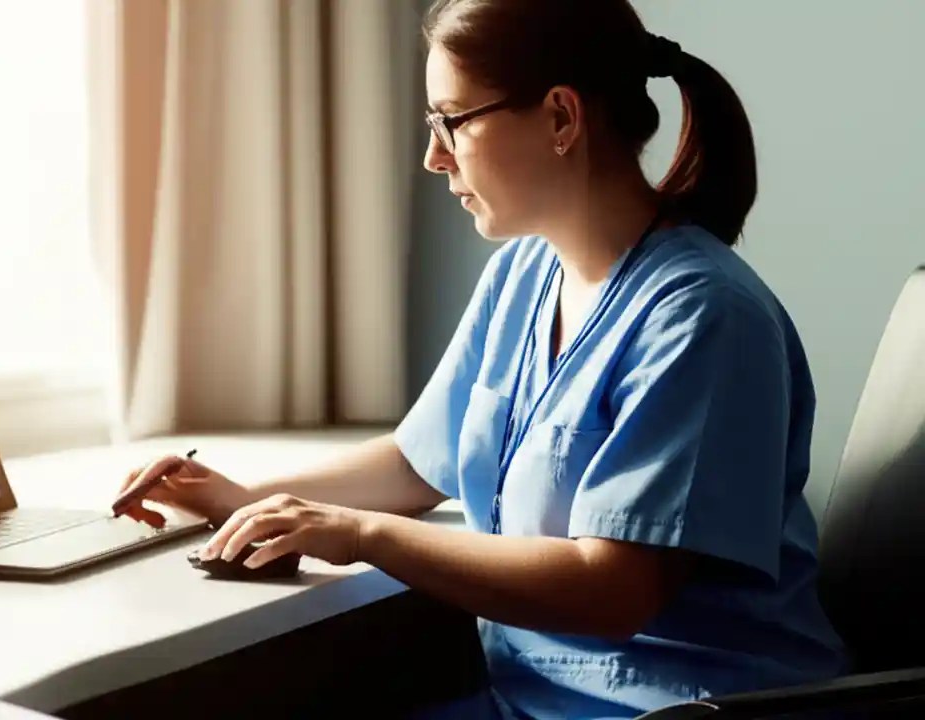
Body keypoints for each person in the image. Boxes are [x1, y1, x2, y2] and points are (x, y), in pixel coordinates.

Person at [112, 0, 847, 716]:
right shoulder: (523, 274)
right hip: (526, 700)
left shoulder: (703, 316)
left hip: (679, 707)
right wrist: (244, 499)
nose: (434, 156)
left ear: (561, 117)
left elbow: (613, 589)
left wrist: (360, 533)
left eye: (451, 122)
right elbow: (413, 464)